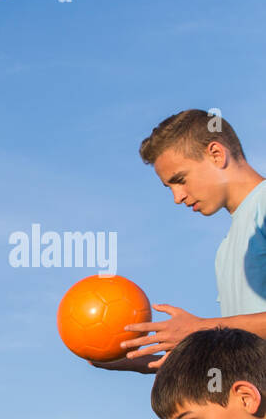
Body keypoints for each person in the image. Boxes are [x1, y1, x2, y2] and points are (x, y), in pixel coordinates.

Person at [98, 110, 266, 374]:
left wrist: (202, 328)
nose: (177, 197)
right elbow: (244, 351)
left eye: (180, 180)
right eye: (170, 187)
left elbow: (222, 330)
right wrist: (144, 359)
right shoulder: (225, 250)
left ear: (216, 154)